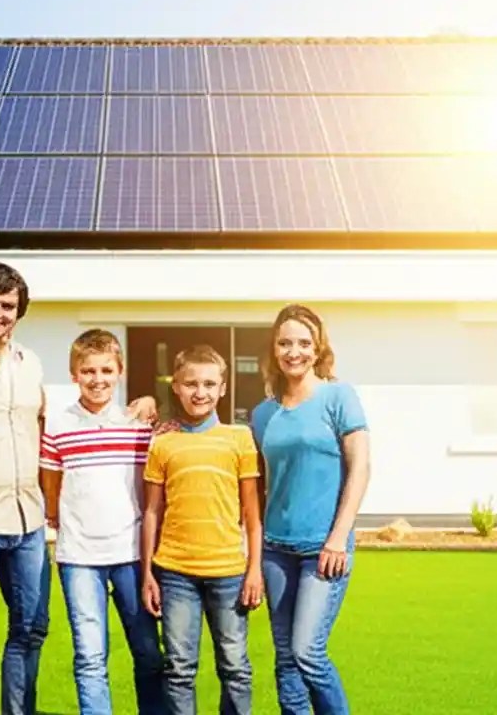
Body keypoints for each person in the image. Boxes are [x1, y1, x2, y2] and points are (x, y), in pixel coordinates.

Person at [0, 262, 157, 715]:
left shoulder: (29, 363)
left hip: (26, 524)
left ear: (18, 314)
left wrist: (143, 407)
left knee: (31, 629)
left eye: (8, 306)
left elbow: (53, 428)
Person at [248, 304, 371, 715]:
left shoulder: (339, 397)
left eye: (303, 343)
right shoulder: (263, 414)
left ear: (318, 349)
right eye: (285, 343)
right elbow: (258, 483)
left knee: (307, 652)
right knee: (286, 661)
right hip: (276, 550)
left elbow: (360, 467)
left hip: (323, 549)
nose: (294, 351)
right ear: (274, 349)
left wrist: (338, 537)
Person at [39, 328, 167, 715]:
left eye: (106, 370)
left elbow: (155, 482)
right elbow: (50, 487)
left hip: (132, 555)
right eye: (88, 371)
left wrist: (153, 403)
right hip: (79, 558)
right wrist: (61, 519)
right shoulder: (58, 425)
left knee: (148, 652)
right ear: (74, 374)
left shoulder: (137, 423)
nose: (98, 379)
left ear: (120, 372)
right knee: (90, 657)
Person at [140, 344, 264, 715]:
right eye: (191, 383)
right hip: (175, 573)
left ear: (222, 389)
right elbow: (151, 512)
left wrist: (254, 569)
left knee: (235, 667)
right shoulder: (163, 442)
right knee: (179, 669)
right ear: (176, 387)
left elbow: (252, 513)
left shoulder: (239, 439)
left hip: (228, 573)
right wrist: (148, 574)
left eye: (209, 384)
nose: (200, 392)